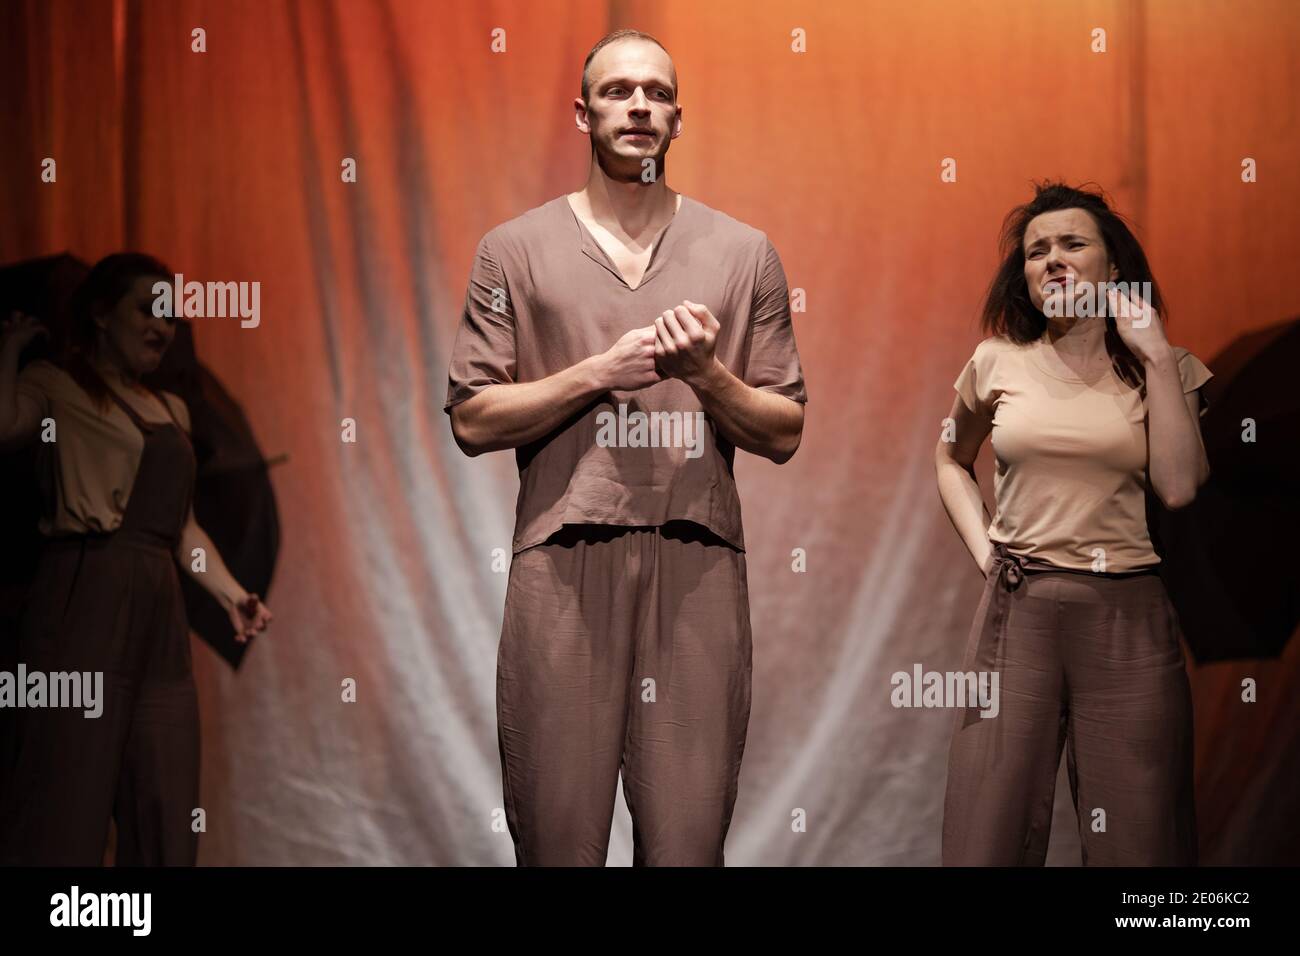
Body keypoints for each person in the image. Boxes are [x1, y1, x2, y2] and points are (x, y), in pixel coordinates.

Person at [444, 30, 807, 866]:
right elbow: (472, 418)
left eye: (655, 92)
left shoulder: (743, 252)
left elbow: (785, 428)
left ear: (679, 117)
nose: (638, 105)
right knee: (557, 835)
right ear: (582, 113)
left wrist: (709, 376)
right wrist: (600, 372)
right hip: (563, 558)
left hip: (696, 559)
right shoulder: (513, 249)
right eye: (616, 91)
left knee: (687, 842)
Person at [934, 182, 1211, 865]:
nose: (1052, 260)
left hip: (1127, 615)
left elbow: (1178, 487)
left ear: (1113, 268)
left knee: (1138, 836)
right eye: (1036, 251)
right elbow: (949, 458)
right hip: (1019, 610)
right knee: (987, 827)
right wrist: (986, 551)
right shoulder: (997, 361)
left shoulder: (1169, 370)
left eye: (1072, 244)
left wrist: (1152, 353)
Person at [0, 253, 273, 865]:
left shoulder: (172, 410)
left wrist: (232, 594)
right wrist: (11, 350)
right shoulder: (53, 385)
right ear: (100, 314)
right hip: (82, 596)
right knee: (66, 804)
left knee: (166, 806)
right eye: (147, 310)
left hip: (159, 613)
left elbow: (183, 531)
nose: (163, 326)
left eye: (171, 315)